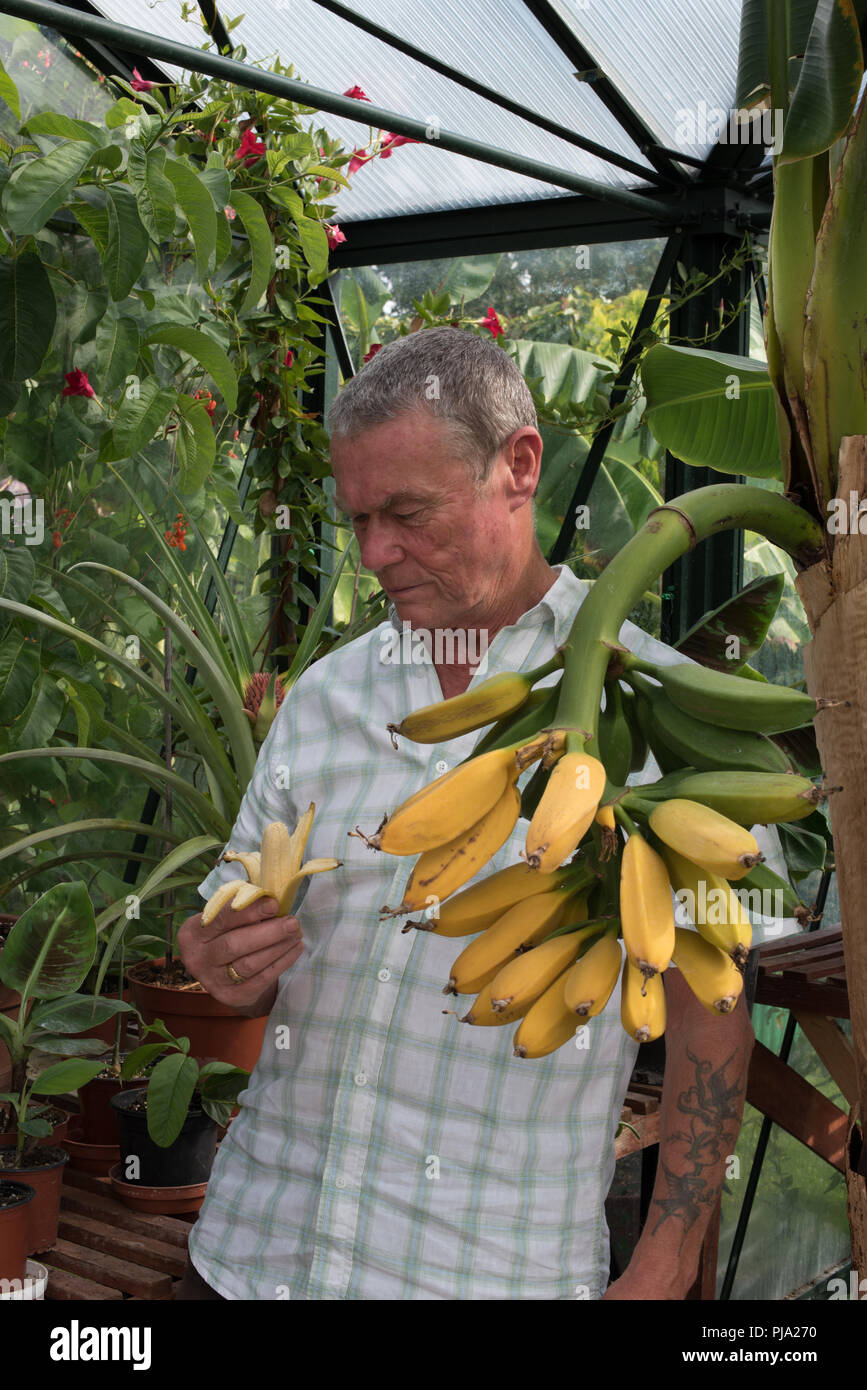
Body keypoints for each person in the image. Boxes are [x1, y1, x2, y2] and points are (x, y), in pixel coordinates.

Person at [174, 326, 755, 1300]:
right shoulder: (325, 698)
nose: (375, 554)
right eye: (358, 518)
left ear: (518, 467)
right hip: (249, 1259)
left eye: (406, 513)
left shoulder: (663, 712)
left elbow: (712, 1011)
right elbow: (237, 961)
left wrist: (664, 1258)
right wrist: (218, 956)